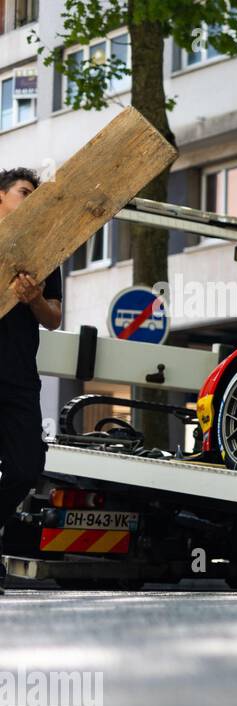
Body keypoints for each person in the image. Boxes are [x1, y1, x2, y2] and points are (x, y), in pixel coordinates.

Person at [0, 167, 64, 595]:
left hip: (20, 378)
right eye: (24, 192)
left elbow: (55, 318)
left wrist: (35, 298)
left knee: (27, 466)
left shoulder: (46, 250)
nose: (31, 199)